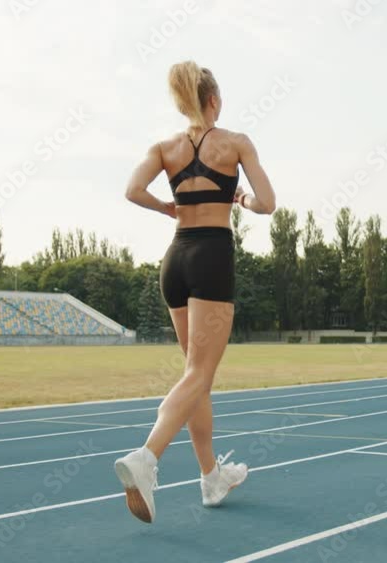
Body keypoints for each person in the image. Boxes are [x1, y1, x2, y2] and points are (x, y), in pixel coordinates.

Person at [115, 60, 276, 524]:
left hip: (175, 260)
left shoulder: (164, 147)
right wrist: (240, 198)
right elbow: (268, 203)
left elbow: (131, 190)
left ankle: (211, 477)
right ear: (213, 100)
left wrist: (168, 208)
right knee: (199, 376)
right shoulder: (236, 143)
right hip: (211, 258)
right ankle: (147, 457)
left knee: (195, 376)